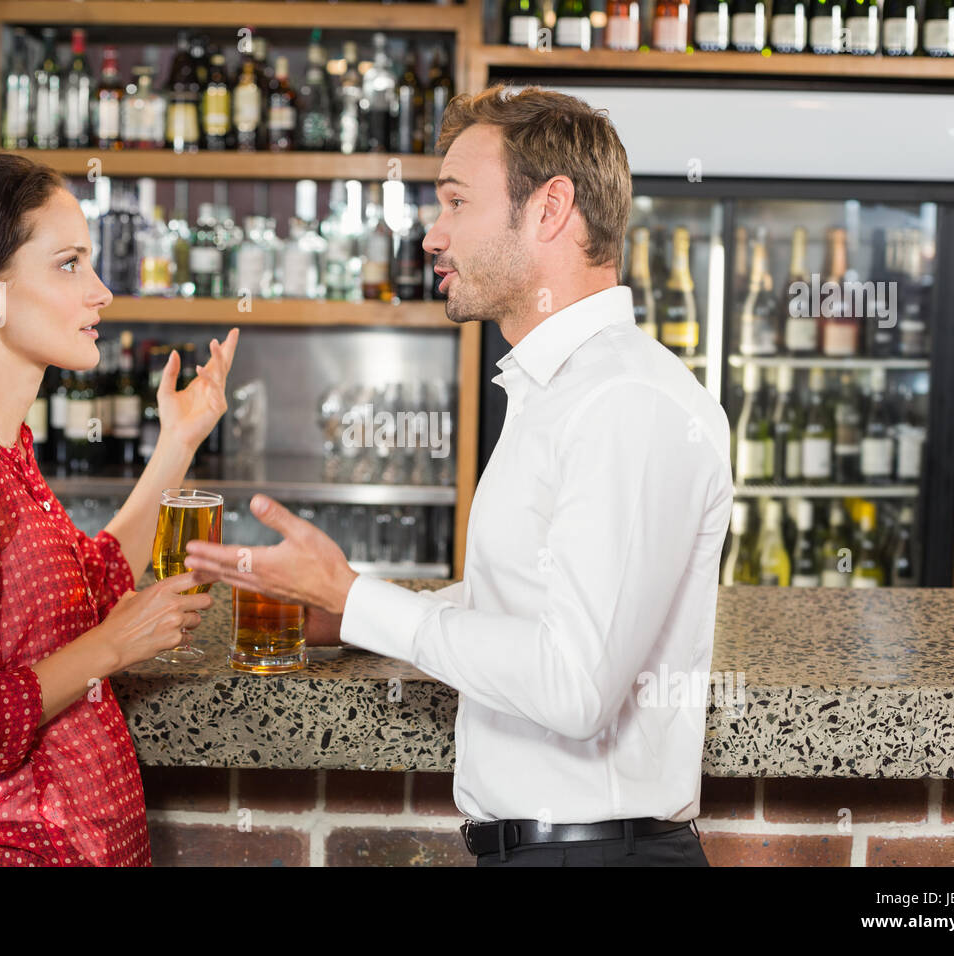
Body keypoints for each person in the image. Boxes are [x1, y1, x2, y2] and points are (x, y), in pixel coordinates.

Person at [184, 85, 732, 867]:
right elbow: (521, 608)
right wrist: (348, 617)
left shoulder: (626, 402)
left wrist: (353, 595)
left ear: (550, 209)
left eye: (455, 203)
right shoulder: (561, 388)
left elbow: (574, 686)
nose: (432, 238)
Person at [0, 152, 236, 866]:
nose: (101, 292)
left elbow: (88, 591)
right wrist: (112, 648)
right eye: (69, 264)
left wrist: (178, 444)